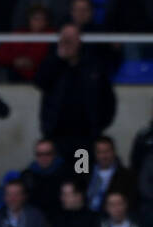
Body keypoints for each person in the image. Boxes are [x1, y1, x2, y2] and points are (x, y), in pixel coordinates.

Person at [35, 24, 117, 161]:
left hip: (85, 138)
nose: (68, 43)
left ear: (79, 40)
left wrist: (98, 126)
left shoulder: (93, 66)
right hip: (56, 135)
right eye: (65, 39)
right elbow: (40, 82)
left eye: (71, 39)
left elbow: (108, 99)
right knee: (59, 175)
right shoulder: (52, 64)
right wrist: (58, 59)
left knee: (81, 173)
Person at [84, 135, 137, 213]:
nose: (103, 156)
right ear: (94, 153)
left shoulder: (127, 176)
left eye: (107, 151)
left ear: (114, 152)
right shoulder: (85, 173)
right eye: (99, 152)